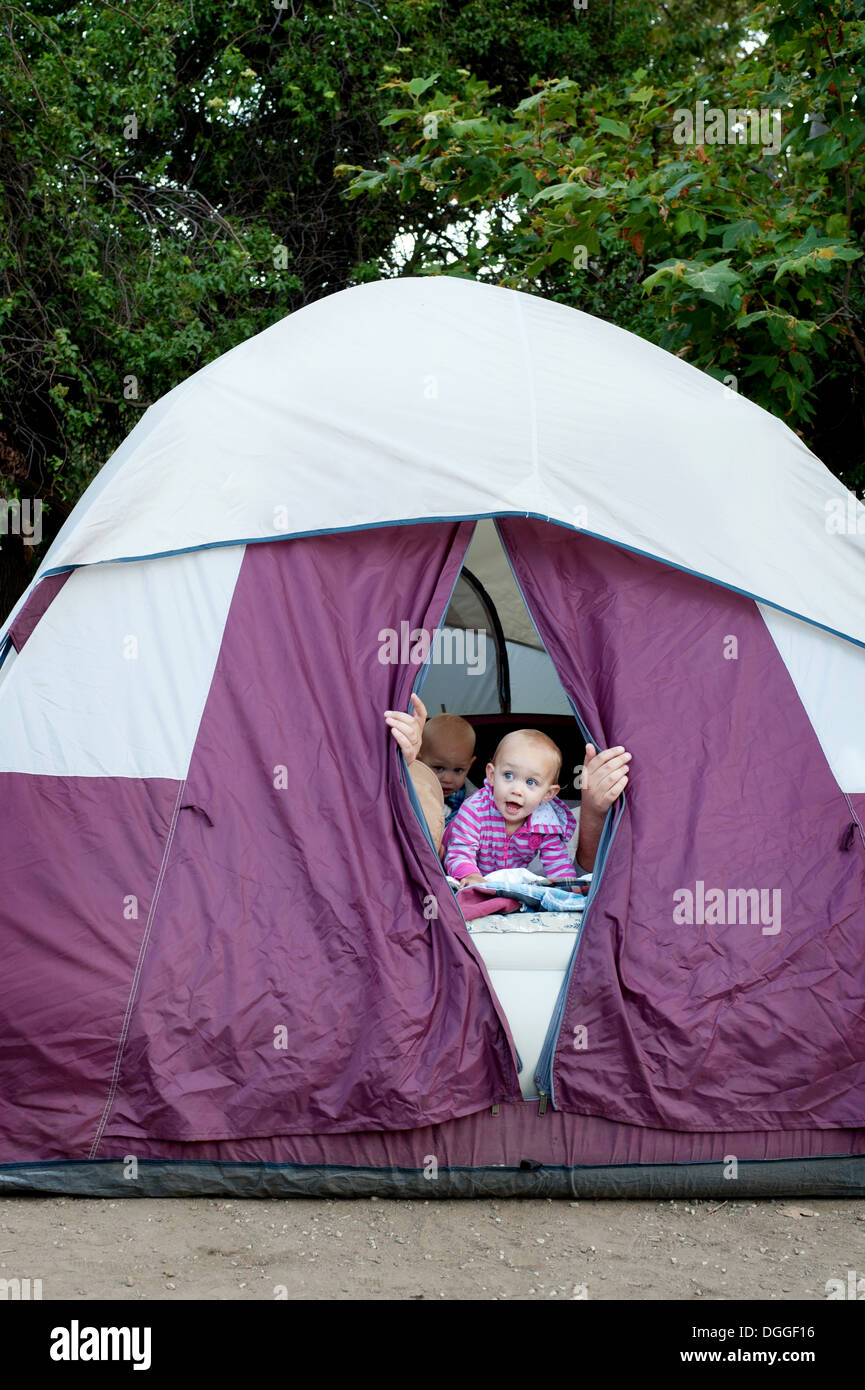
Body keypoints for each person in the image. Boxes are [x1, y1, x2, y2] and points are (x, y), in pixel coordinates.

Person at [384, 696, 631, 874]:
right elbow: (460, 850)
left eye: (531, 782)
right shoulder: (476, 808)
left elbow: (558, 865)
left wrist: (568, 888)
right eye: (509, 776)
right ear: (491, 775)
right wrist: (470, 876)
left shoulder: (546, 821)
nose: (517, 790)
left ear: (549, 794)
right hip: (466, 867)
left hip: (509, 875)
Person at [417, 713, 477, 826]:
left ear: (469, 765)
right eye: (439, 768)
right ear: (418, 760)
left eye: (458, 770)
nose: (448, 779)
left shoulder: (476, 803)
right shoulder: (410, 793)